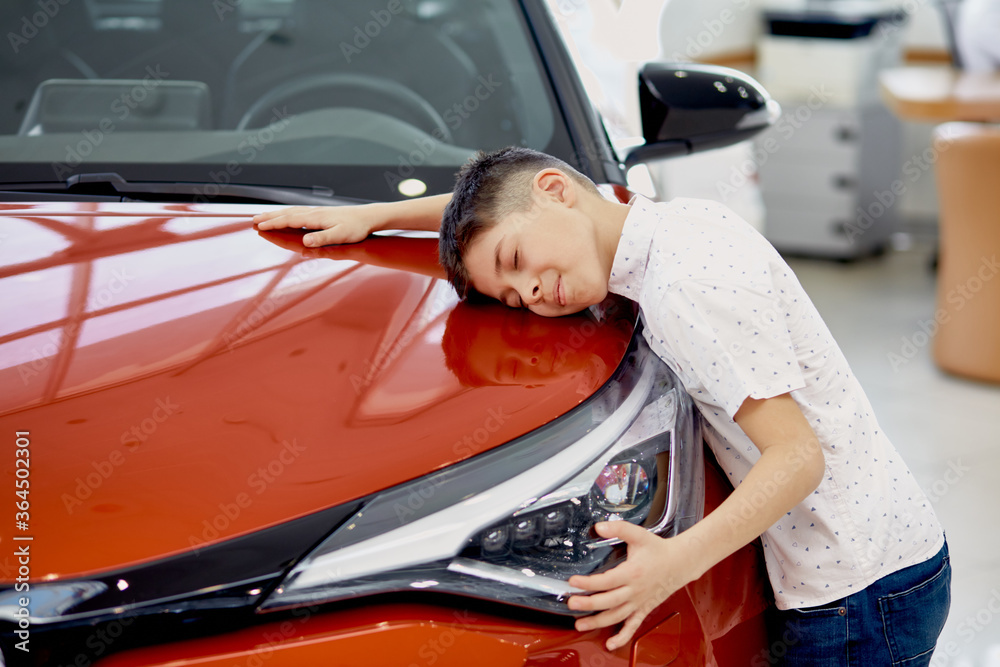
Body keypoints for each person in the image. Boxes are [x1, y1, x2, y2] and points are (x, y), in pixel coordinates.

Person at [253, 146, 950, 665]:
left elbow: (797, 457)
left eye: (518, 261)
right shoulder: (645, 223)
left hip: (857, 591)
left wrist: (674, 562)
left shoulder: (686, 288)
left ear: (557, 192)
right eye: (510, 294)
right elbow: (500, 200)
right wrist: (376, 217)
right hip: (878, 557)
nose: (530, 293)